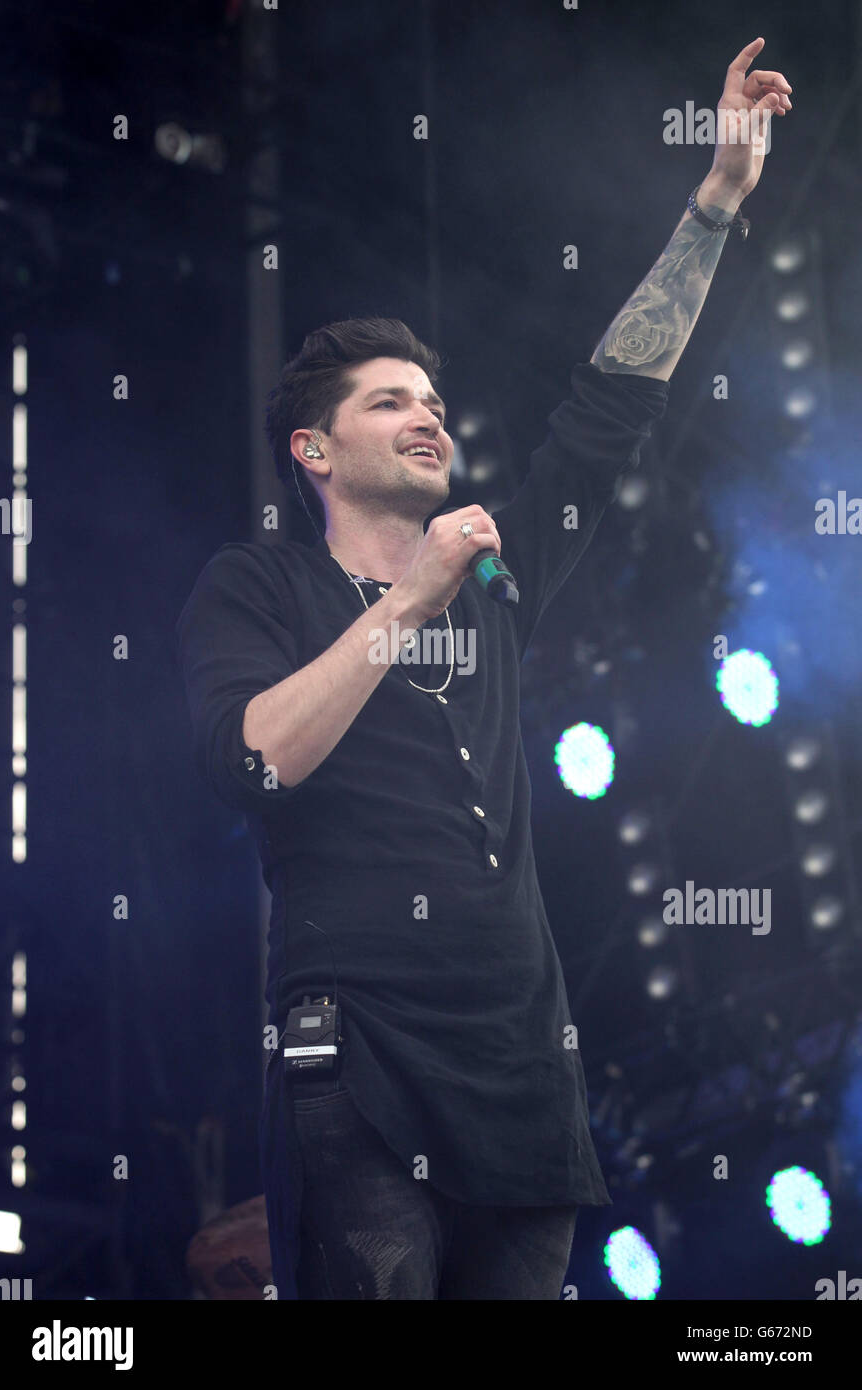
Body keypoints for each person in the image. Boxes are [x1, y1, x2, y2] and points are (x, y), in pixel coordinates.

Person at [177, 39, 791, 1298]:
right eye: (389, 401)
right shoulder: (260, 585)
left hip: (522, 1073)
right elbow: (257, 755)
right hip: (360, 1063)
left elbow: (608, 406)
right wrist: (411, 595)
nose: (428, 416)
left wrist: (716, 202)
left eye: (435, 401)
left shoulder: (496, 587)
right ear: (312, 448)